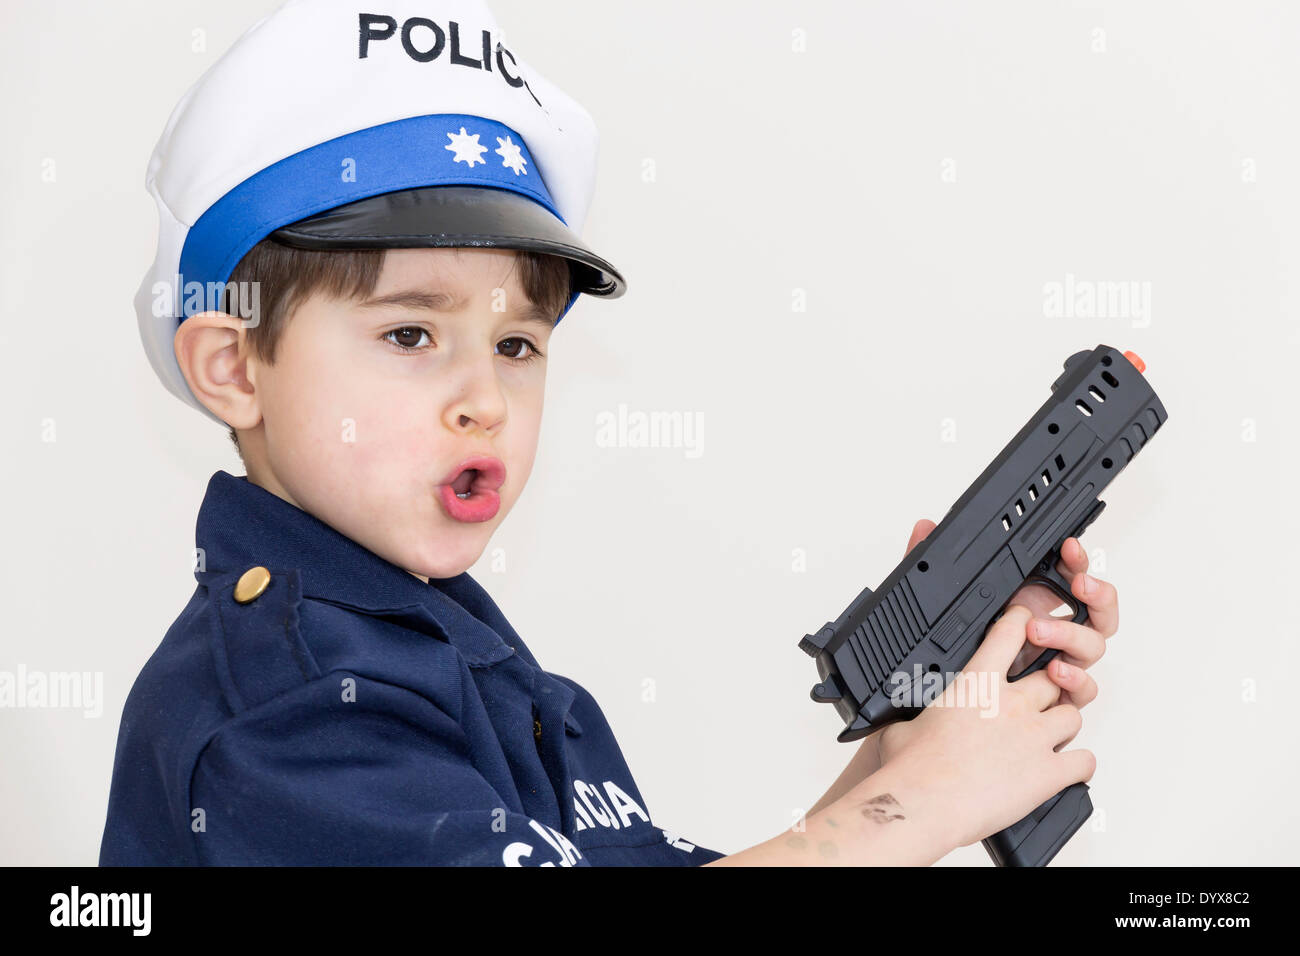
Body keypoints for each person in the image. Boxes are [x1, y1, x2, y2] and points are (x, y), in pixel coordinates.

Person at [100, 0, 1115, 866]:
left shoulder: (451, 650)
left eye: (515, 344)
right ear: (235, 367)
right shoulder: (293, 701)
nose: (484, 399)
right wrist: (921, 802)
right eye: (410, 331)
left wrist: (917, 732)